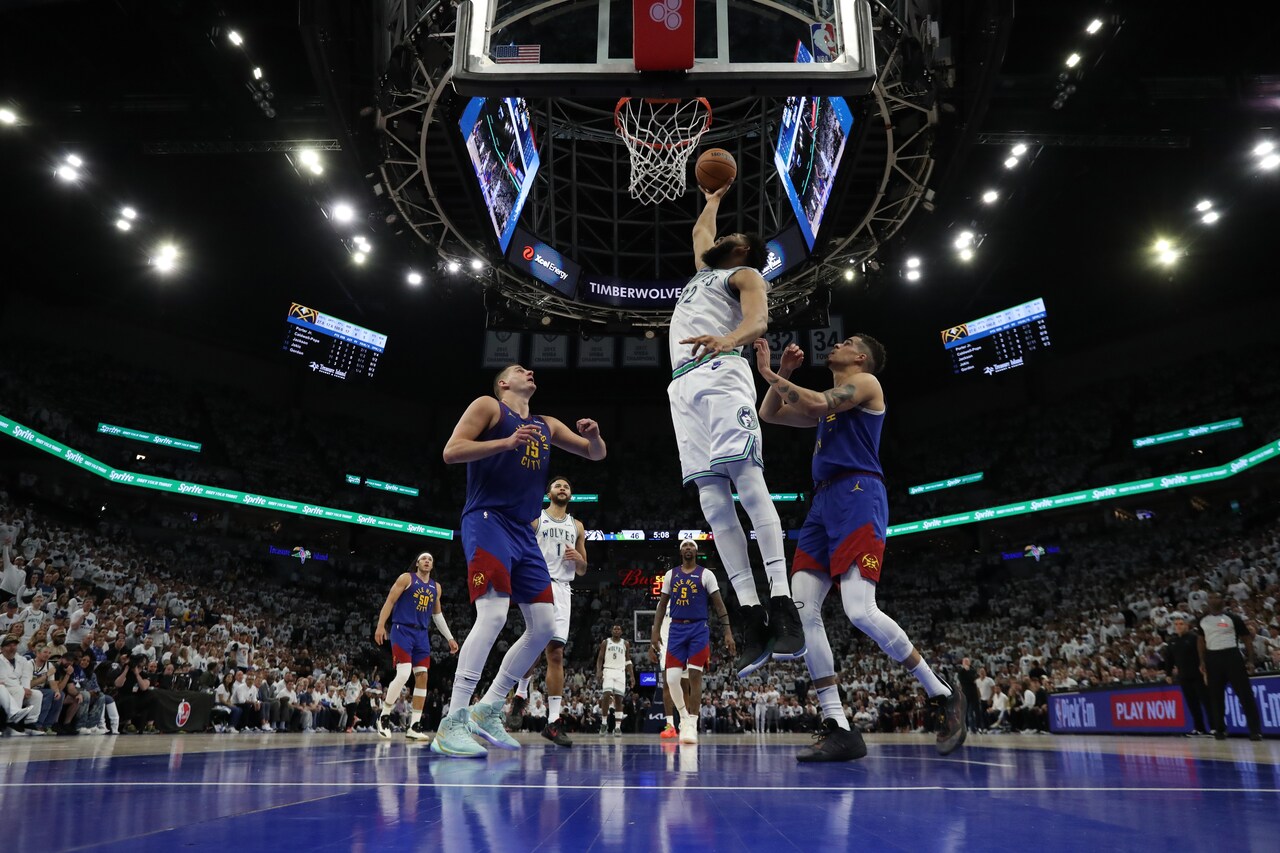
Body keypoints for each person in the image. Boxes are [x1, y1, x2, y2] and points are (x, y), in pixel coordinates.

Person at [754, 336, 966, 761]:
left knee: (859, 609)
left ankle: (941, 692)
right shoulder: (828, 407)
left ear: (861, 357)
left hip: (858, 493)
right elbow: (769, 414)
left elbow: (815, 403)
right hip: (822, 502)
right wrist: (785, 374)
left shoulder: (867, 384)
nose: (836, 343)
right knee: (803, 611)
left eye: (847, 342)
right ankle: (839, 725)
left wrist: (768, 372)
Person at [667, 181, 805, 677]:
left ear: (743, 250)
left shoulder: (745, 274)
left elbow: (758, 322)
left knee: (748, 483)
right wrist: (713, 198)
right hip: (682, 385)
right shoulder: (705, 272)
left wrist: (728, 340)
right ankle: (751, 614)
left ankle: (783, 605)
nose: (721, 237)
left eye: (732, 236)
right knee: (711, 500)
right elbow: (700, 233)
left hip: (722, 372)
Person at [433, 364, 606, 758]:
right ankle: (452, 721)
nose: (529, 370)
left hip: (523, 532)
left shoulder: (546, 424)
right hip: (487, 519)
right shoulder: (489, 407)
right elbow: (451, 451)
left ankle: (488, 707)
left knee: (544, 626)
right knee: (493, 615)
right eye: (518, 369)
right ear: (503, 383)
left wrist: (594, 437)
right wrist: (505, 442)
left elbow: (595, 454)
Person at [516, 476, 589, 748]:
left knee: (556, 653)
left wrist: (579, 559)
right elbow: (520, 549)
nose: (562, 488)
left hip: (563, 588)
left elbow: (583, 569)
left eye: (566, 486)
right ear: (549, 492)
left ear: (570, 494)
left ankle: (553, 721)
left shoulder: (577, 526)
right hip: (539, 582)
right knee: (536, 644)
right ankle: (521, 693)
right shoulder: (536, 520)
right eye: (558, 485)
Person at [648, 538, 736, 745]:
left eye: (691, 546)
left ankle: (691, 724)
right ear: (681, 552)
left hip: (698, 628)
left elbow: (719, 605)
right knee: (672, 679)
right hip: (676, 629)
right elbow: (662, 606)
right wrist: (655, 632)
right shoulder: (671, 575)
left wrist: (728, 632)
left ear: (696, 552)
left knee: (695, 676)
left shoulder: (706, 574)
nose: (688, 548)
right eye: (685, 546)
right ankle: (683, 716)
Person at [373, 551, 459, 741]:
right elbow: (390, 601)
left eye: (430, 559)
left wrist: (449, 637)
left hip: (421, 634)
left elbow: (437, 615)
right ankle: (384, 716)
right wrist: (380, 625)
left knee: (423, 677)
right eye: (424, 559)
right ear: (417, 563)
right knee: (404, 673)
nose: (427, 561)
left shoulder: (436, 587)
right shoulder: (406, 578)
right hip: (402, 629)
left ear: (432, 565)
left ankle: (414, 726)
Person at [1197, 593, 1263, 740]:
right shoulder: (1202, 620)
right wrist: (1202, 661)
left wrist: (1251, 661)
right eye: (1211, 597)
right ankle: (1220, 730)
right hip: (1212, 657)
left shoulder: (1233, 618)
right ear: (1208, 601)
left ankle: (1255, 730)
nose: (1214, 599)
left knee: (1245, 694)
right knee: (1215, 696)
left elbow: (1247, 639)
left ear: (1223, 601)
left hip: (1232, 656)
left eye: (1217, 597)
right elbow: (1201, 641)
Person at [1164, 613, 1211, 736]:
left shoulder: (1194, 638)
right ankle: (1199, 728)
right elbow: (1169, 659)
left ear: (1187, 625)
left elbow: (1203, 654)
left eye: (1181, 624)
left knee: (1206, 701)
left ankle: (1214, 728)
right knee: (1192, 703)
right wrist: (1168, 673)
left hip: (1198, 675)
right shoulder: (1172, 641)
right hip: (1184, 677)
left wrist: (1206, 671)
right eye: (1176, 624)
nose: (1178, 626)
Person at [595, 623, 632, 737]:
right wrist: (599, 671)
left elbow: (628, 660)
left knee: (618, 699)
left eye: (618, 629)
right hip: (608, 670)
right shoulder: (606, 642)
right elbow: (600, 658)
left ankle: (617, 727)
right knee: (606, 695)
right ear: (611, 631)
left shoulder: (625, 643)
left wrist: (632, 675)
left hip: (620, 672)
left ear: (621, 632)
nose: (616, 630)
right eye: (614, 629)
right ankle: (604, 723)